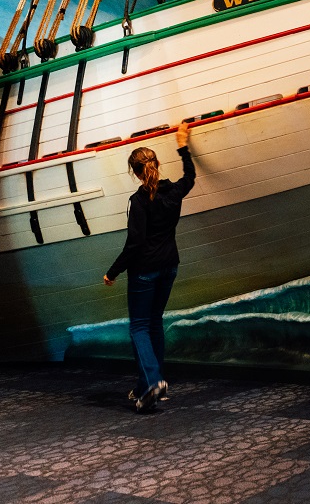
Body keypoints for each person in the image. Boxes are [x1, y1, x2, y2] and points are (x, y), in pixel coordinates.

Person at [104, 120, 195, 412]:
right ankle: (149, 386)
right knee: (155, 322)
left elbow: (134, 244)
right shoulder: (174, 192)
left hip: (144, 271)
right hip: (170, 267)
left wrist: (112, 272)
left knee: (139, 327)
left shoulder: (139, 200)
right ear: (156, 164)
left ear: (135, 172)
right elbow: (190, 177)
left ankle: (153, 381)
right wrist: (183, 146)